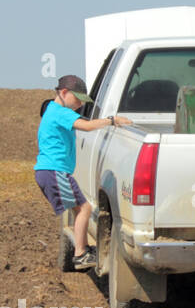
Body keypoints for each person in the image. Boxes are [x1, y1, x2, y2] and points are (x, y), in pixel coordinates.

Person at [34, 75, 133, 269]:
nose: (80, 104)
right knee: (85, 209)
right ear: (63, 93)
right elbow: (86, 126)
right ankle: (80, 254)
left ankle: (84, 249)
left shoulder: (53, 110)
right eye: (77, 99)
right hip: (54, 171)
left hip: (50, 171)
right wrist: (112, 120)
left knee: (79, 209)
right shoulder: (61, 112)